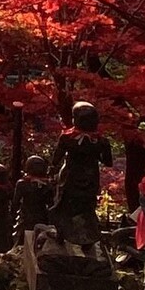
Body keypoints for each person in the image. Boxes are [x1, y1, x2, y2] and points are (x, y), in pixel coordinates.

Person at [50, 101, 114, 245]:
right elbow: (108, 162)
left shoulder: (67, 138)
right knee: (87, 207)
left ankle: (61, 234)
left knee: (63, 203)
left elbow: (56, 159)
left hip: (70, 176)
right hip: (91, 178)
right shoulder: (101, 141)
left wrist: (51, 170)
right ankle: (88, 238)